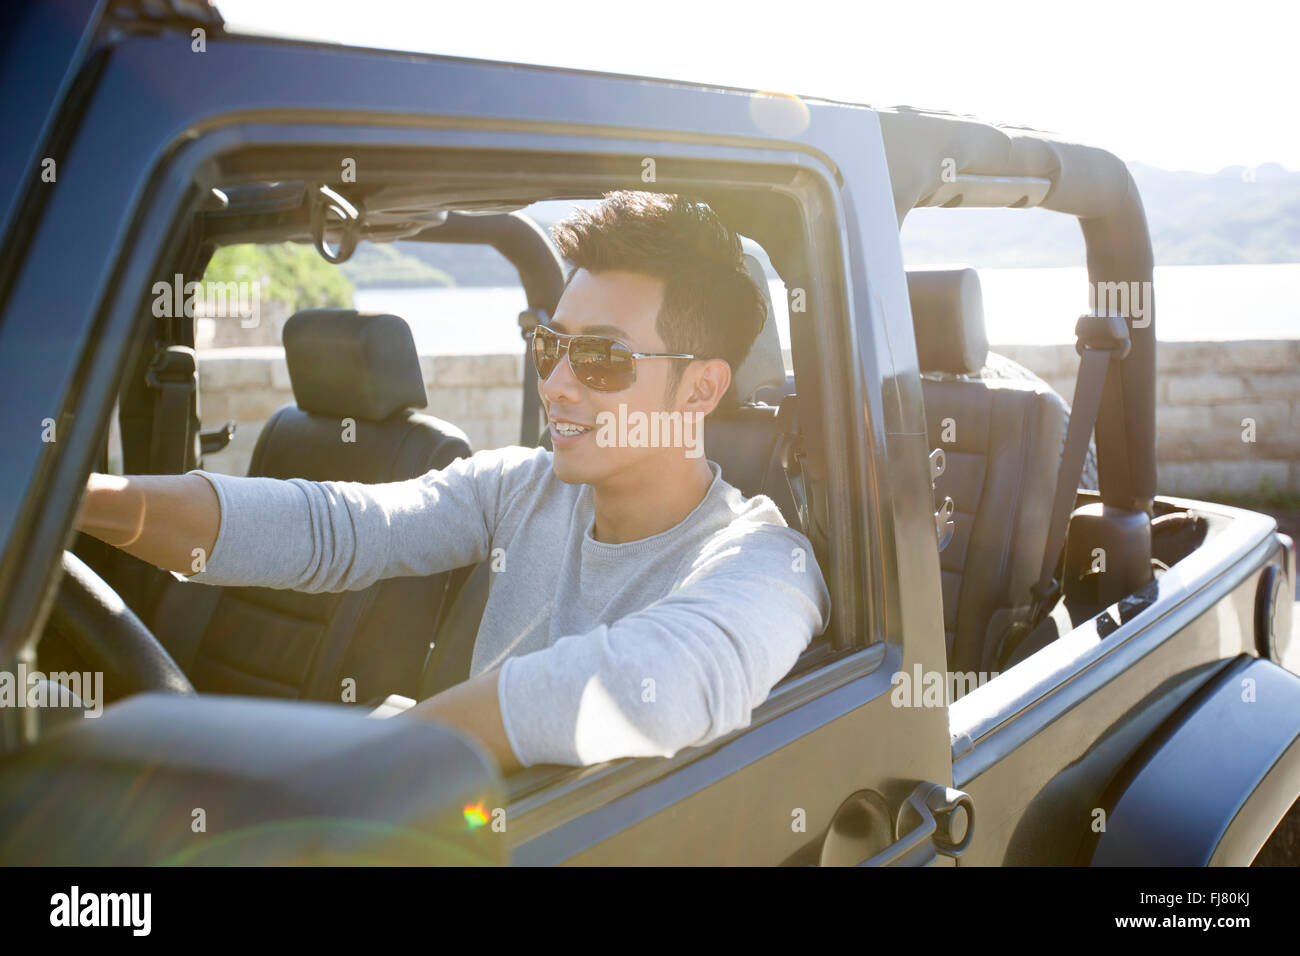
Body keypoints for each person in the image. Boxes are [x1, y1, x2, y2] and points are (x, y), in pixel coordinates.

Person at [75, 190, 831, 773]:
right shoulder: (522, 487)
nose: (559, 385)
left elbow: (652, 686)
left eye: (603, 358)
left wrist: (362, 769)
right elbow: (338, 526)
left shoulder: (765, 563)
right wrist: (72, 504)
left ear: (700, 391)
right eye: (549, 345)